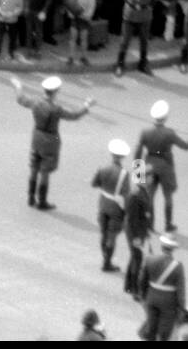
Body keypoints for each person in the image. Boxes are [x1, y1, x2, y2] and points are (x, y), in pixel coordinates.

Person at [12, 75, 93, 211]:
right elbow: (74, 115)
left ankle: (31, 197)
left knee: (34, 167)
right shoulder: (56, 109)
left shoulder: (36, 103)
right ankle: (42, 201)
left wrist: (18, 86)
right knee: (45, 172)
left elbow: (20, 98)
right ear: (55, 92)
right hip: (50, 141)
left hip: (37, 137)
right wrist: (86, 105)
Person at [133, 99, 188, 232]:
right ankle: (168, 224)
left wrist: (138, 175)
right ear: (165, 117)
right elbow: (185, 146)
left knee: (150, 195)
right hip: (166, 167)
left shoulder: (145, 132)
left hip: (150, 166)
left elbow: (138, 153)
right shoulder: (169, 133)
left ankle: (149, 224)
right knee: (168, 196)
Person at [115, 0, 159, 76]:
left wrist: (146, 6)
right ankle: (120, 63)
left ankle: (143, 63)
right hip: (130, 12)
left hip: (145, 14)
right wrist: (131, 4)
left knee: (144, 40)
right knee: (124, 40)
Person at [92, 139, 131, 272]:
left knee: (103, 233)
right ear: (123, 157)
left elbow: (94, 184)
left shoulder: (102, 169)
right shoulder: (124, 174)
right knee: (112, 235)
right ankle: (107, 263)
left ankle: (105, 257)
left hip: (103, 203)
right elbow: (126, 194)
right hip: (116, 207)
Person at [138, 235, 185, 341]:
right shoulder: (177, 266)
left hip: (151, 297)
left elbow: (142, 280)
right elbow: (180, 291)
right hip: (169, 302)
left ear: (162, 246)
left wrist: (143, 296)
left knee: (150, 329)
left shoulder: (149, 259)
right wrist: (181, 308)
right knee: (164, 332)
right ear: (173, 249)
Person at [124, 172, 156, 299]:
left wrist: (146, 230)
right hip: (134, 232)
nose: (152, 179)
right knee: (137, 258)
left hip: (139, 230)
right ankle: (134, 289)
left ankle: (128, 285)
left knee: (134, 257)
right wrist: (137, 237)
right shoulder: (136, 194)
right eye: (150, 176)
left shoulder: (143, 191)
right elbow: (133, 219)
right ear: (145, 177)